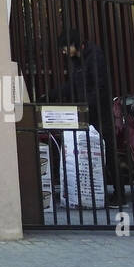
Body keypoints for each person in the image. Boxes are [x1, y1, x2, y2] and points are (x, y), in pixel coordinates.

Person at [52, 29, 121, 206]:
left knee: (107, 148)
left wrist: (88, 105)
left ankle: (119, 191)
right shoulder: (77, 61)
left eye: (64, 47)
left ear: (73, 43)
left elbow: (100, 86)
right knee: (88, 150)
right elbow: (74, 85)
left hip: (99, 111)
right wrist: (53, 94)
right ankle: (92, 192)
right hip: (85, 111)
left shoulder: (94, 56)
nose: (63, 51)